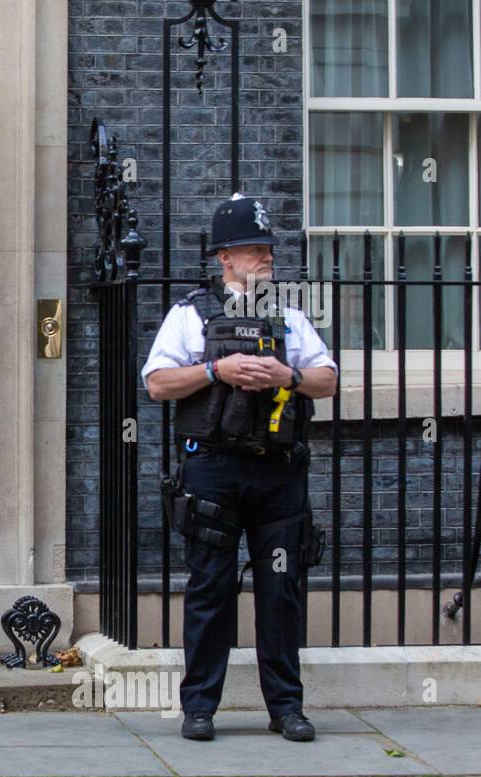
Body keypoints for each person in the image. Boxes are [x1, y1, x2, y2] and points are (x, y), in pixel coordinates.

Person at [142, 194, 338, 742]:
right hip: (213, 471)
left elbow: (328, 379)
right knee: (210, 587)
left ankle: (287, 708)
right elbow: (157, 383)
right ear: (225, 257)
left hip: (278, 472)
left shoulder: (292, 316)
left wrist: (287, 375)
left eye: (268, 249)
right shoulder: (190, 314)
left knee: (282, 589)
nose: (266, 258)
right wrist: (215, 368)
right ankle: (199, 707)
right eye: (255, 250)